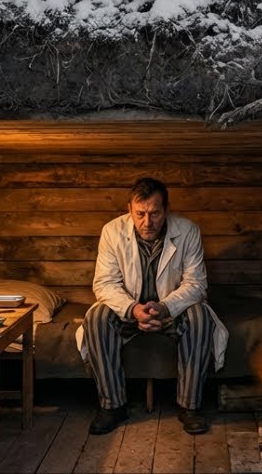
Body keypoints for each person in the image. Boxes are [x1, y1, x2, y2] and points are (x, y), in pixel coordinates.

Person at [76, 177, 228, 435]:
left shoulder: (188, 230)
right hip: (127, 312)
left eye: (155, 213)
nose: (148, 222)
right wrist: (134, 309)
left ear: (166, 211)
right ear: (129, 210)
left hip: (171, 310)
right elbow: (105, 284)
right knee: (97, 318)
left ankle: (189, 407)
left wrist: (165, 307)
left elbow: (196, 284)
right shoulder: (112, 232)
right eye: (141, 214)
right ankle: (113, 406)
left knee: (201, 315)